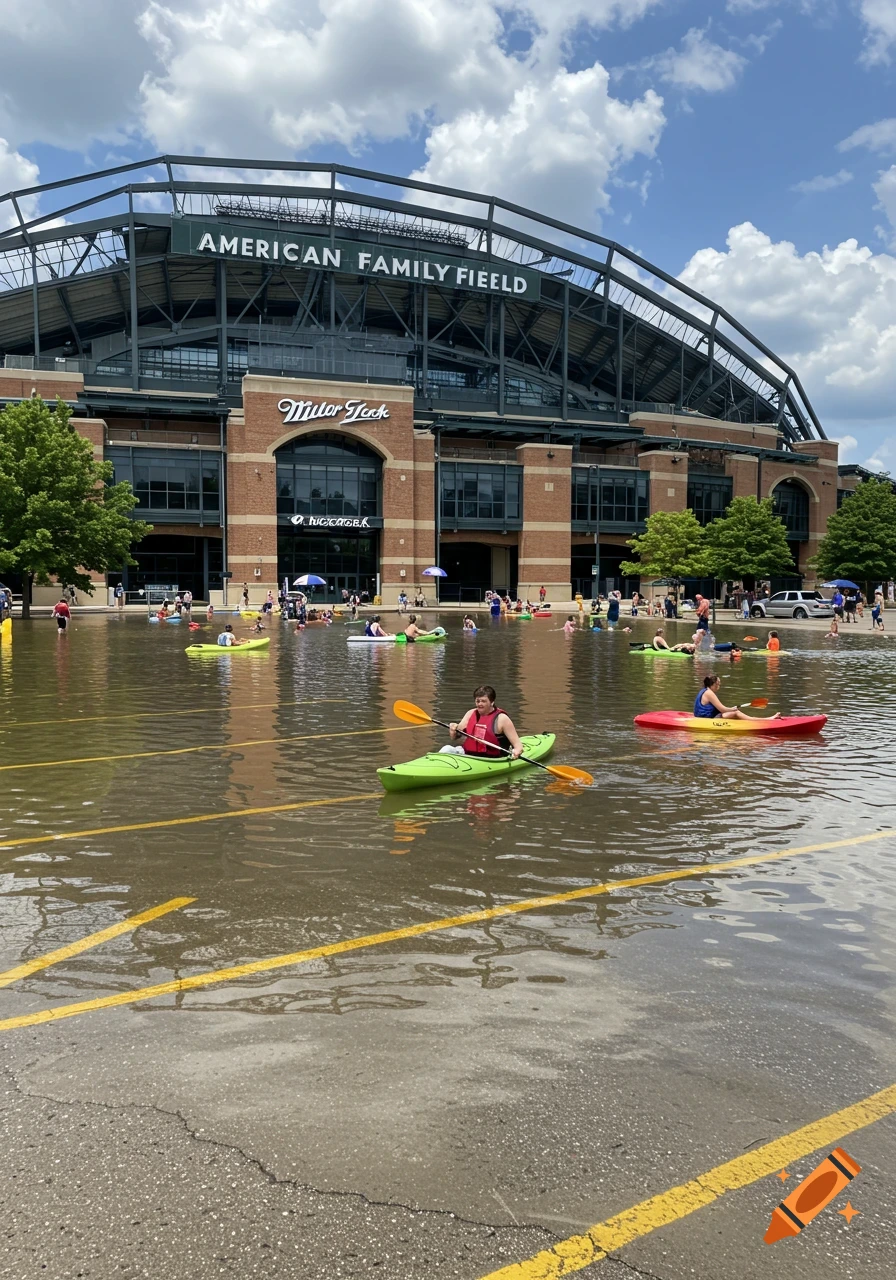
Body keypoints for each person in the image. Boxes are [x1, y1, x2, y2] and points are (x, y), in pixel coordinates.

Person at [440, 685, 525, 758]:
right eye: (478, 701)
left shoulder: (502, 719)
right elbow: (454, 737)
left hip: (492, 758)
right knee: (446, 748)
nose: (480, 704)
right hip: (468, 754)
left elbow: (518, 747)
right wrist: (453, 729)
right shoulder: (470, 713)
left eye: (483, 701)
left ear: (492, 702)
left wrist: (516, 752)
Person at [694, 674, 781, 721]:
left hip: (703, 717)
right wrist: (732, 709)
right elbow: (722, 710)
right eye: (718, 684)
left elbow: (722, 709)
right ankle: (767, 719)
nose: (719, 686)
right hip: (706, 719)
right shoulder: (709, 693)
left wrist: (731, 708)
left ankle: (746, 719)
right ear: (713, 684)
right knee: (736, 713)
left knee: (734, 712)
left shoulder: (705, 690)